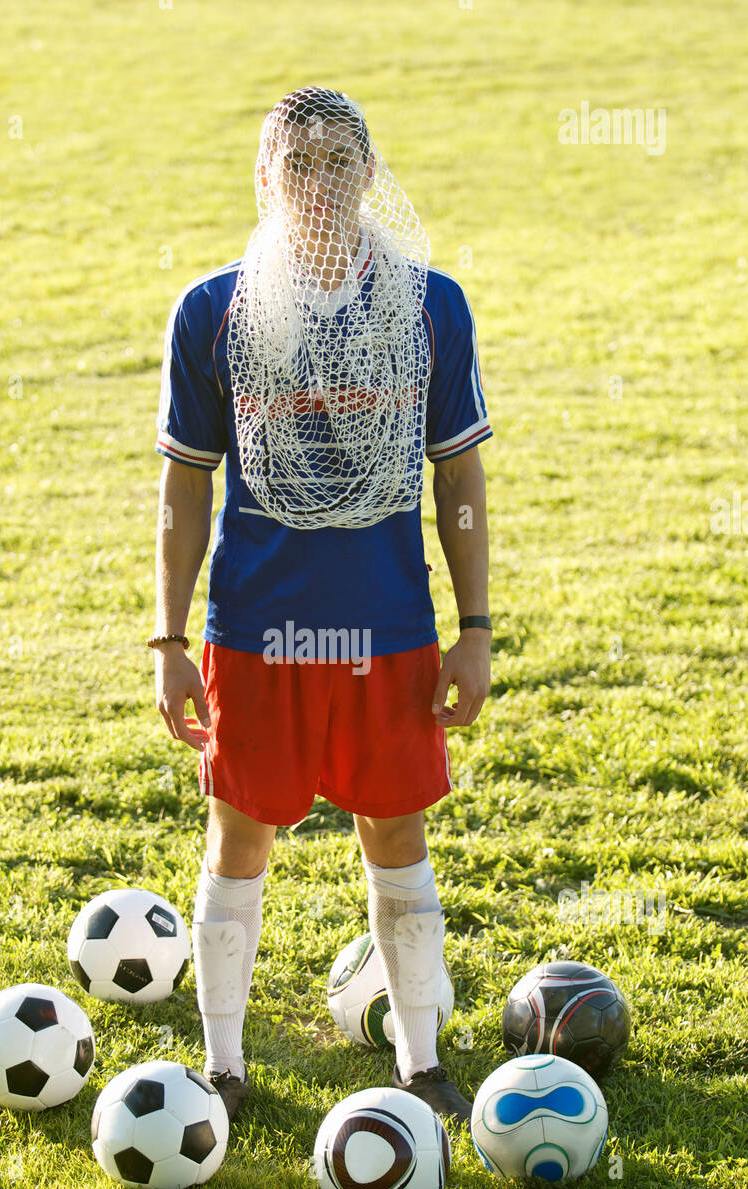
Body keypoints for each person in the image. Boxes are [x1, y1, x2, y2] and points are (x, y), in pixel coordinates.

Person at [151, 87, 492, 1126]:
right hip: (258, 633)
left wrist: (475, 631)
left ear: (369, 171)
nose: (320, 181)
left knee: (397, 836)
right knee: (239, 839)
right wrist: (168, 636)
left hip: (389, 629)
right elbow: (184, 486)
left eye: (340, 161)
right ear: (267, 177)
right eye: (298, 162)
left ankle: (422, 1058)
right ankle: (223, 1063)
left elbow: (460, 482)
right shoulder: (215, 309)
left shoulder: (431, 304)